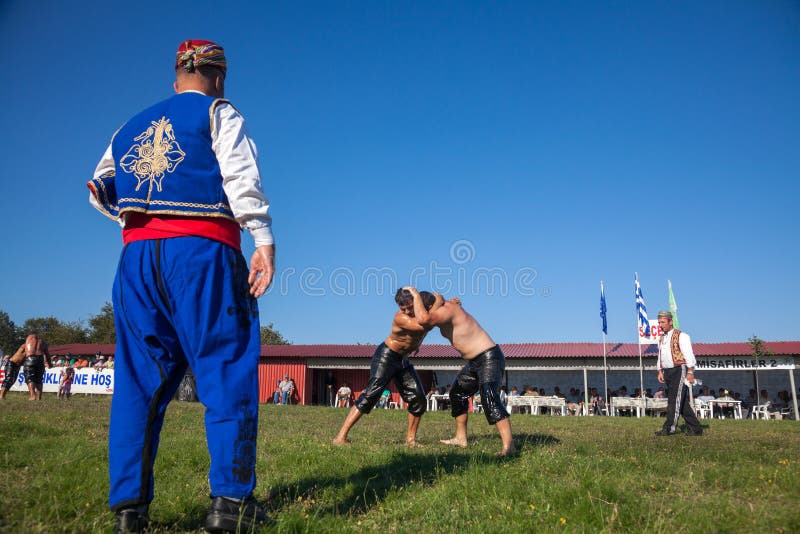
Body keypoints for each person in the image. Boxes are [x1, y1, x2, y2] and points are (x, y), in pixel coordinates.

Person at [87, 39, 275, 533]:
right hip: (202, 251)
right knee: (225, 368)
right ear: (219, 78)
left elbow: (102, 185)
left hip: (136, 258)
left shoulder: (128, 127)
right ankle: (230, 506)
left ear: (175, 80)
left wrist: (143, 229)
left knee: (137, 382)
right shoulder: (219, 112)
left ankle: (130, 511)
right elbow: (240, 176)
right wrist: (262, 237)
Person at [406, 287, 516, 457]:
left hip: (489, 357)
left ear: (428, 307)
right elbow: (428, 322)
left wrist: (418, 295)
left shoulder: (444, 310)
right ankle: (460, 438)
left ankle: (509, 447)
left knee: (489, 396)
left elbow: (424, 320)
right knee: (457, 393)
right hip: (475, 361)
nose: (414, 312)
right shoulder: (443, 307)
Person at [333, 289, 443, 447]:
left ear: (418, 302)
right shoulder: (401, 317)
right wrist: (439, 301)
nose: (406, 311)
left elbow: (436, 310)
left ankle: (410, 440)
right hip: (386, 356)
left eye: (410, 307)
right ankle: (340, 437)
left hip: (403, 360)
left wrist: (445, 301)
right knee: (371, 395)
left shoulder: (423, 311)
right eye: (402, 308)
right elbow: (423, 325)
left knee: (418, 398)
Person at [655, 311, 703, 436]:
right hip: (668, 371)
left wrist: (690, 372)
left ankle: (669, 427)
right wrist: (660, 370)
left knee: (674, 399)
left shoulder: (682, 336)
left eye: (663, 322)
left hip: (679, 369)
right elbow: (660, 355)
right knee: (681, 402)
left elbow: (689, 354)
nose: (660, 325)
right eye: (659, 322)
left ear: (671, 322)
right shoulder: (661, 338)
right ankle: (695, 428)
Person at [22, 334, 51, 400]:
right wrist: (49, 363)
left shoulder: (29, 339)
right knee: (39, 379)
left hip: (30, 358)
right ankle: (39, 397)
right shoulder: (43, 343)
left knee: (30, 378)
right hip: (40, 359)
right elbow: (47, 355)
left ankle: (32, 396)